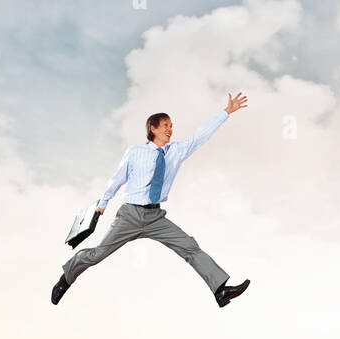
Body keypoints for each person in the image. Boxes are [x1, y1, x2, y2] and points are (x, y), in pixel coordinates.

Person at [52, 92, 251, 308]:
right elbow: (116, 179)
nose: (170, 129)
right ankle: (66, 278)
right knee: (97, 254)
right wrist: (102, 205)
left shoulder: (176, 151)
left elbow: (199, 136)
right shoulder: (135, 152)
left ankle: (220, 290)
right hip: (130, 215)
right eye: (165, 125)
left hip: (155, 217)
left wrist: (226, 112)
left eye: (171, 125)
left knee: (189, 246)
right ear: (152, 129)